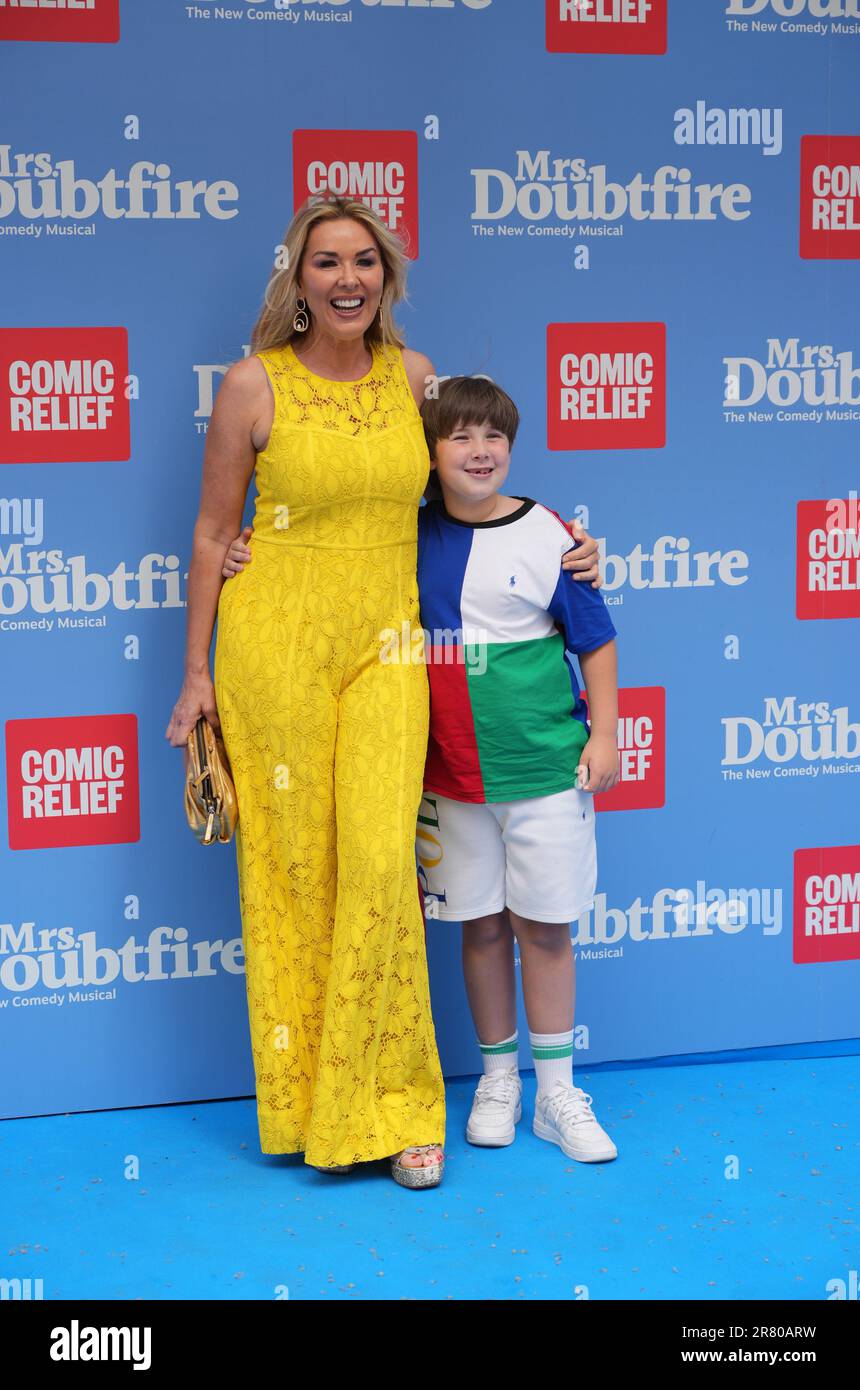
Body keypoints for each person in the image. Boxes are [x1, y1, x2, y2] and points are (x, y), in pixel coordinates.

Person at [191, 192, 602, 1187]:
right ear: (296, 277)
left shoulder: (415, 378)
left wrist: (559, 542)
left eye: (363, 262)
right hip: (273, 647)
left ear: (387, 276)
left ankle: (394, 1108)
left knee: (381, 867)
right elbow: (211, 533)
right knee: (292, 877)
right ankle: (302, 1107)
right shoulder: (251, 385)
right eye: (326, 262)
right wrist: (195, 674)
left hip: (390, 647)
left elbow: (467, 492)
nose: (346, 279)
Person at [413, 376, 621, 1164]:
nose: (479, 451)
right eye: (459, 436)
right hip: (450, 776)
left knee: (545, 927)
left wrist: (603, 734)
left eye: (493, 437)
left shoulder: (550, 532)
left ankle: (558, 1092)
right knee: (481, 926)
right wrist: (245, 549)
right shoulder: (407, 531)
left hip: (543, 768)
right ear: (429, 453)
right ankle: (498, 1080)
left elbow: (594, 640)